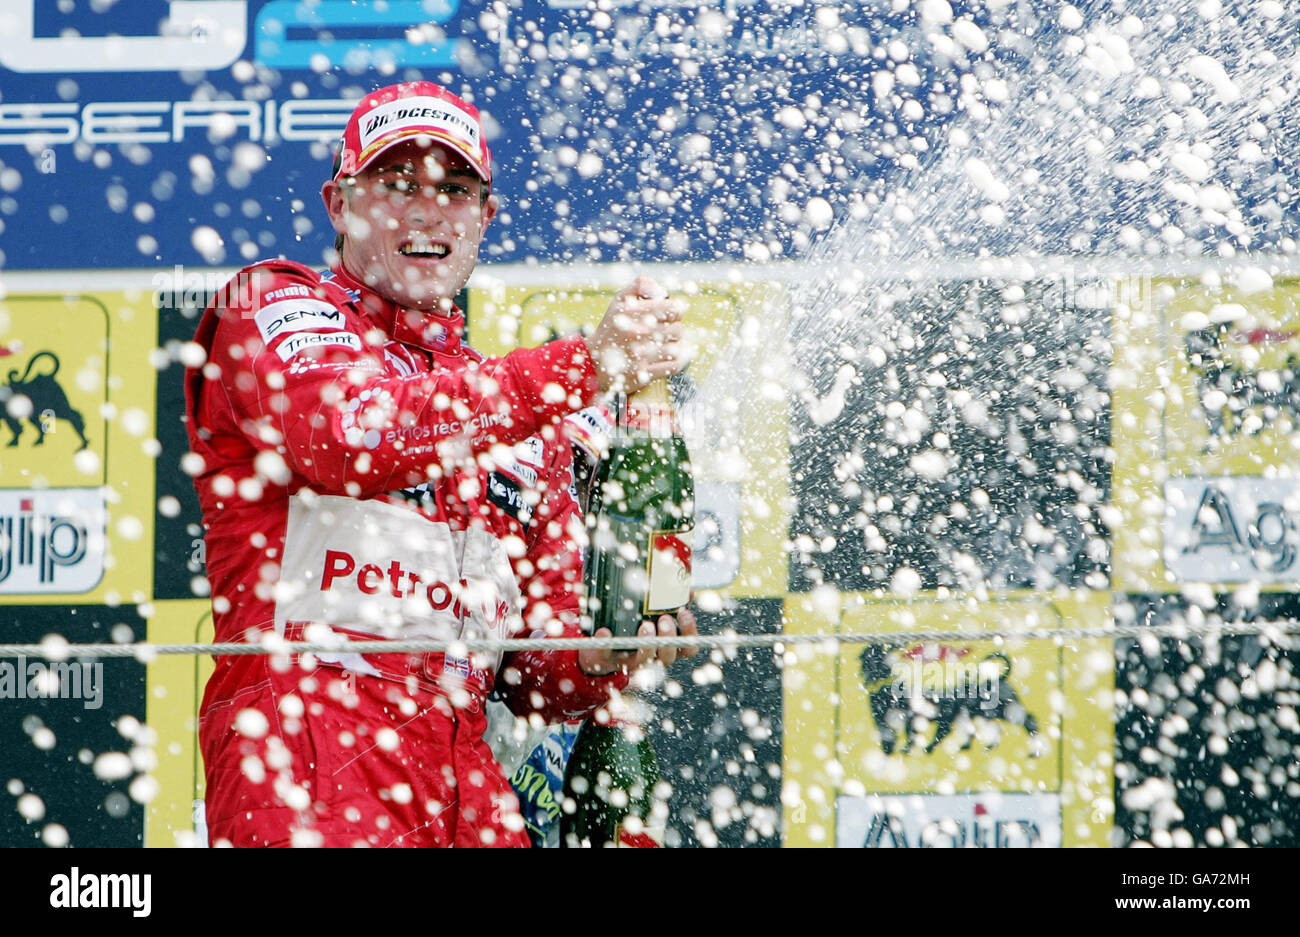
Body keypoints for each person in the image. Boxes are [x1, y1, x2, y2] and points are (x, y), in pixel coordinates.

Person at [184, 80, 697, 847]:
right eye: (396, 184)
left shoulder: (526, 424)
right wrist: (576, 370)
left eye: (454, 190)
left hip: (466, 784)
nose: (427, 211)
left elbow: (536, 673)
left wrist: (602, 651)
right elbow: (350, 438)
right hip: (307, 761)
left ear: (485, 217)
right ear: (339, 205)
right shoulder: (273, 303)